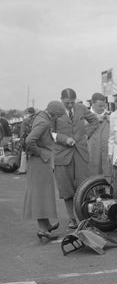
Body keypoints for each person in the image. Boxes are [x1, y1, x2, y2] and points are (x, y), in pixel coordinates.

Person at [54, 88, 99, 229]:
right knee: (66, 189)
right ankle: (72, 219)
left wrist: (86, 135)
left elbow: (94, 122)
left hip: (80, 153)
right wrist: (64, 139)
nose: (69, 105)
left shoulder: (81, 108)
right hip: (62, 154)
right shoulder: (54, 111)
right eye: (67, 103)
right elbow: (50, 132)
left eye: (72, 102)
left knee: (85, 186)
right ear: (61, 99)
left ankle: (84, 217)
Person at [23, 101, 65, 240]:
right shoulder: (44, 123)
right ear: (53, 114)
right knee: (41, 194)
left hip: (38, 163)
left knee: (42, 194)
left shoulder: (41, 117)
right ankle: (42, 229)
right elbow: (30, 140)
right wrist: (40, 153)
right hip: (41, 162)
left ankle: (46, 225)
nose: (57, 119)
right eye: (57, 116)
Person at [88, 93, 111, 177]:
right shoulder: (84, 117)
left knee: (107, 176)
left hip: (107, 151)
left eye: (104, 106)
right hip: (91, 152)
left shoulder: (110, 116)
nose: (102, 108)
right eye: (100, 106)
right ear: (92, 103)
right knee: (91, 178)